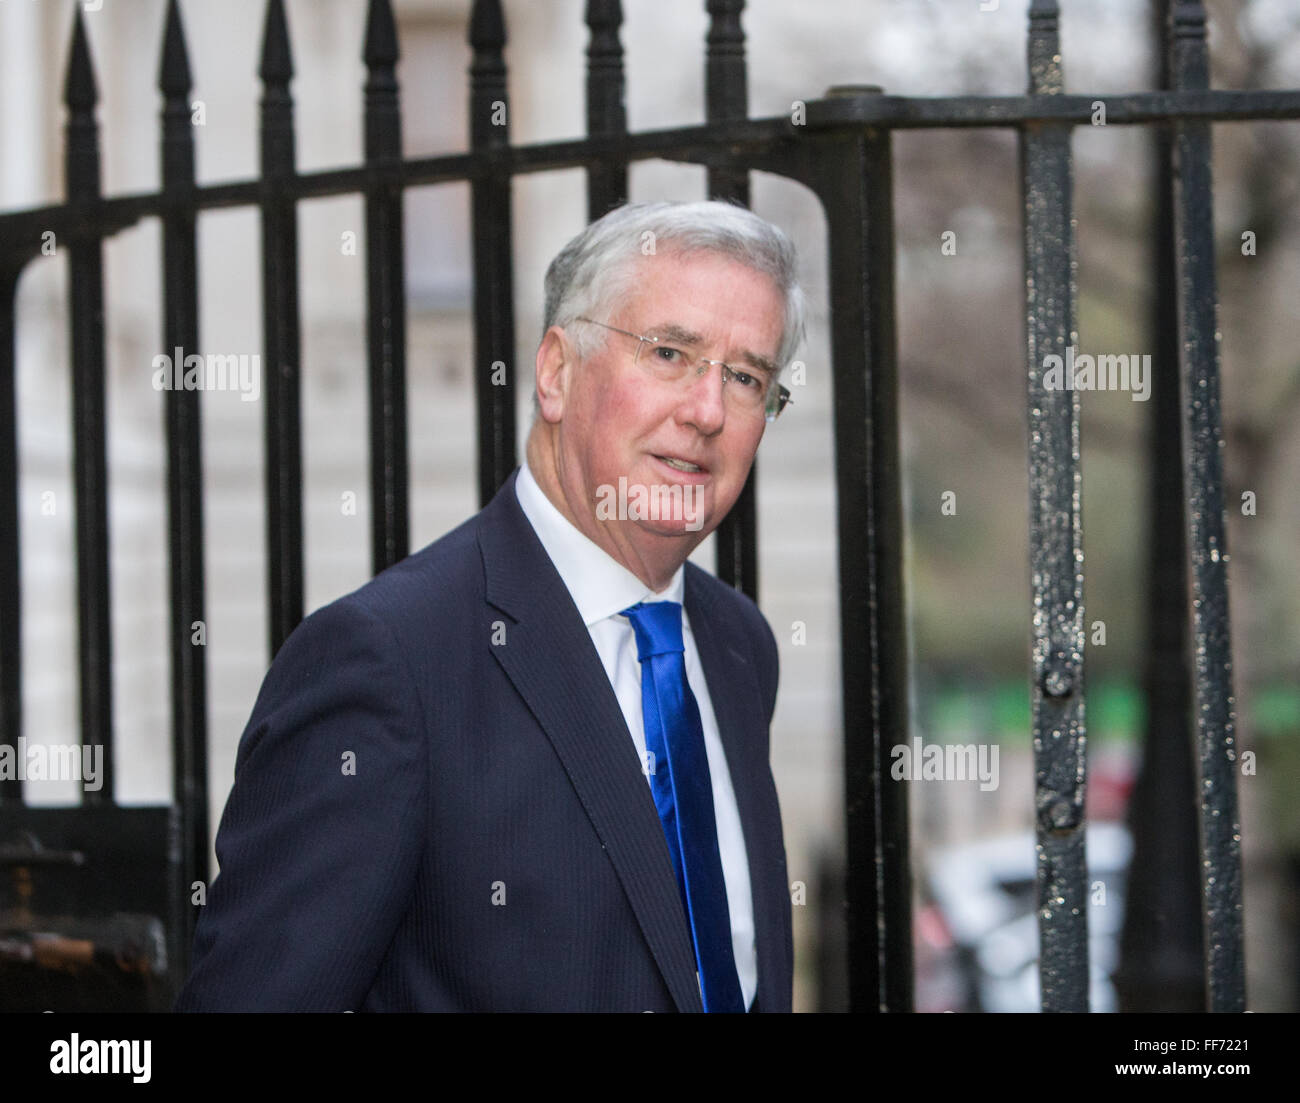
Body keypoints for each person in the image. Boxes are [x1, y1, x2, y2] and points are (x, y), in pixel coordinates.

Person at [175, 199, 802, 1012]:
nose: (707, 410)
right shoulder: (388, 662)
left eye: (746, 376)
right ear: (555, 372)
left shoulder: (737, 644)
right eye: (671, 352)